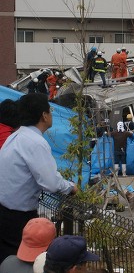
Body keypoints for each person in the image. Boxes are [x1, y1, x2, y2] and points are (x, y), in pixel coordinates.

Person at [0, 93, 77, 263]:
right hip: (18, 216)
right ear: (44, 115)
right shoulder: (34, 141)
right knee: (23, 261)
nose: (51, 115)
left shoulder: (15, 136)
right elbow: (50, 182)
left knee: (7, 260)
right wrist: (70, 187)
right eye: (50, 111)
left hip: (5, 211)